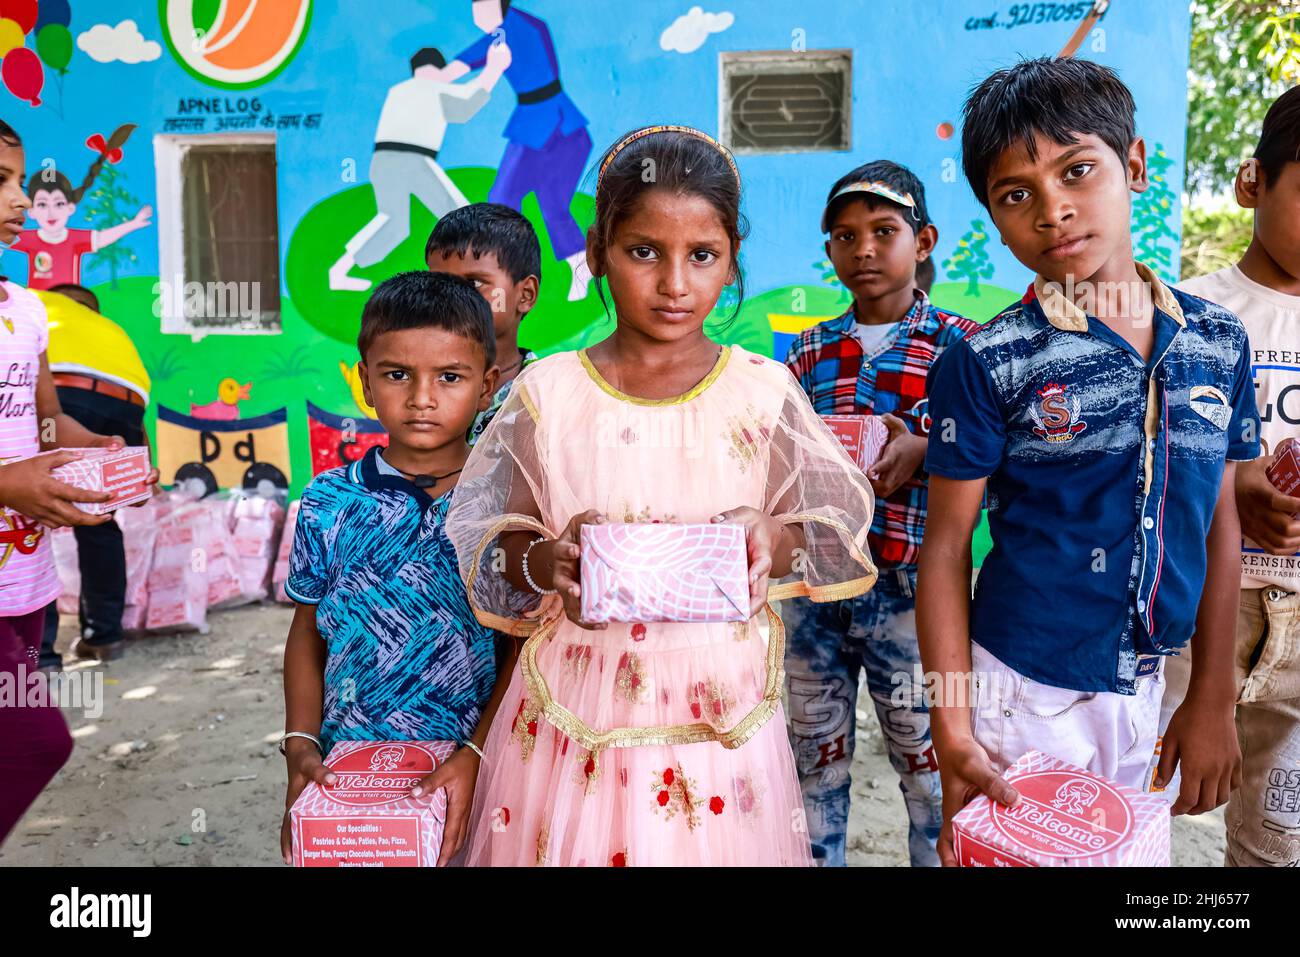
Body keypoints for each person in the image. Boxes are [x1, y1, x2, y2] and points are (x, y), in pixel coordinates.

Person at [444, 125, 878, 866]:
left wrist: (770, 539)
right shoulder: (551, 393)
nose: (675, 283)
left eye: (702, 256)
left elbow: (829, 527)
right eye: (644, 251)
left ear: (730, 259)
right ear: (599, 253)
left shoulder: (760, 391)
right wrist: (546, 560)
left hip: (719, 718)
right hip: (574, 714)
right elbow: (493, 532)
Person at [918, 57, 1258, 865]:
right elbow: (942, 552)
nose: (1054, 210)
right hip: (1020, 693)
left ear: (1133, 164)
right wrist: (953, 730)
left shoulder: (1216, 342)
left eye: (1077, 170)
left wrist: (1213, 696)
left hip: (1147, 690)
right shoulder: (989, 359)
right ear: (994, 220)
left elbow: (1221, 522)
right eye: (1015, 194)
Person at [279, 271, 517, 866]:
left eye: (450, 377)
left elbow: (522, 646)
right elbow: (308, 632)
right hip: (351, 775)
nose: (422, 398)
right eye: (396, 375)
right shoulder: (329, 500)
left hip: (473, 763)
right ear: (365, 381)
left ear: (487, 386)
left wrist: (477, 752)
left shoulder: (506, 504)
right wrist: (301, 746)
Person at [782, 161, 978, 867]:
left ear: (923, 240)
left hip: (914, 592)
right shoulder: (806, 350)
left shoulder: (961, 344)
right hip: (817, 589)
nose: (862, 248)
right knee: (813, 759)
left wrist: (925, 448)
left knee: (927, 767)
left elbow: (993, 449)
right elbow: (788, 451)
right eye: (844, 235)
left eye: (883, 231)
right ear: (829, 250)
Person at [0, 119, 157, 845]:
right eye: (1, 183)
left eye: (18, 181)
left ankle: (89, 625)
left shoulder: (27, 311)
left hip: (26, 581)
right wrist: (10, 485)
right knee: (38, 744)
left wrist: (99, 451)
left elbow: (47, 419)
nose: (20, 202)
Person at [1162, 85, 1300, 867]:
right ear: (1253, 183)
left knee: (1274, 849)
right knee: (1137, 816)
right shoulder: (1188, 315)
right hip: (1192, 613)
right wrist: (1228, 484)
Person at [328, 43, 513, 292]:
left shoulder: (399, 90)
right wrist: (494, 69)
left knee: (392, 222)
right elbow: (465, 105)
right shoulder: (432, 88)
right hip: (412, 159)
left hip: (383, 160)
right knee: (460, 214)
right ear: (436, 69)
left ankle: (339, 270)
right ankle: (474, 277)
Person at [443, 1, 595, 301]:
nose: (477, 14)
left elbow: (472, 61)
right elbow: (469, 60)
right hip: (549, 127)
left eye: (482, 6)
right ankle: (515, 269)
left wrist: (441, 77)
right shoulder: (509, 30)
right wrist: (439, 77)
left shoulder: (515, 28)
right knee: (523, 202)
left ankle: (517, 269)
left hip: (549, 127)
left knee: (511, 201)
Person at [36, 283, 152, 665]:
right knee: (98, 518)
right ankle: (103, 637)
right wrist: (141, 463)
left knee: (34, 514)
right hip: (125, 405)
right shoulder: (112, 332)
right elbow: (139, 413)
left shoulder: (32, 302)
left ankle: (39, 653)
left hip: (59, 393)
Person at [424, 202, 541, 444]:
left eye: (475, 284)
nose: (452, 297)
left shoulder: (550, 394)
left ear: (526, 295)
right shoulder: (419, 388)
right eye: (439, 284)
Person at [12, 124, 150, 291]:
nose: (51, 212)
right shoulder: (28, 238)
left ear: (70, 208)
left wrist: (134, 223)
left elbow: (102, 238)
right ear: (31, 211)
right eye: (42, 204)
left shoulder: (75, 239)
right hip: (38, 309)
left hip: (71, 307)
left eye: (59, 204)